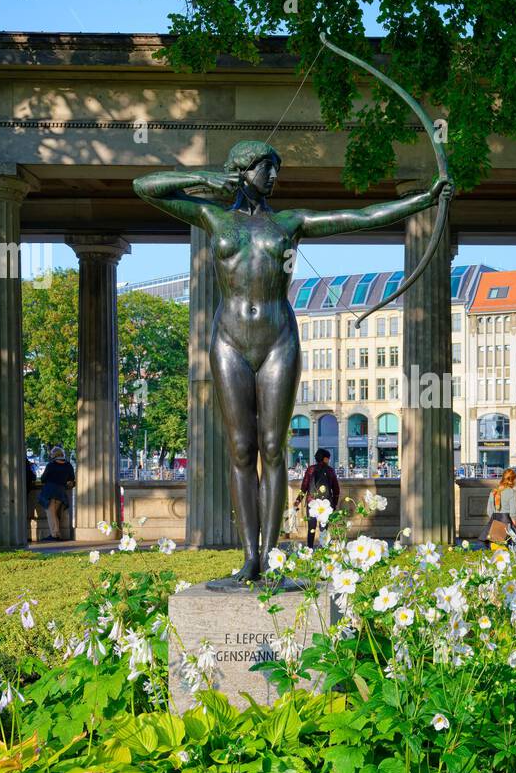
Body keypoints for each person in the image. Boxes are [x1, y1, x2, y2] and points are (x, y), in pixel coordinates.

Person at [135, 142, 451, 582]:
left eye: (275, 170)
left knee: (271, 447)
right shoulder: (213, 217)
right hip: (228, 342)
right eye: (266, 168)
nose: (273, 177)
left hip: (278, 341)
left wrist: (423, 199)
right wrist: (205, 180)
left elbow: (357, 218)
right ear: (242, 170)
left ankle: (271, 554)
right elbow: (144, 186)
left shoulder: (288, 221)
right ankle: (250, 557)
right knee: (241, 449)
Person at [298, 448, 340, 548]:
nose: (328, 460)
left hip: (312, 503)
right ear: (325, 459)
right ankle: (323, 550)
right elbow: (336, 489)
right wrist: (334, 504)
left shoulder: (310, 469)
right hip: (326, 504)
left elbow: (304, 486)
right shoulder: (330, 471)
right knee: (324, 530)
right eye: (328, 458)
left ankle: (309, 549)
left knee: (311, 529)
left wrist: (298, 500)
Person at [37, 446, 75, 542]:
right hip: (61, 492)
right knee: (55, 514)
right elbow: (71, 478)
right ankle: (56, 534)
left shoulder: (51, 465)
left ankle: (55, 535)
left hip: (49, 491)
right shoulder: (68, 465)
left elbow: (43, 479)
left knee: (51, 514)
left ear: (53, 455)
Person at [483, 468, 516, 549]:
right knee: (508, 549)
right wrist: (515, 527)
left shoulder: (493, 492)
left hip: (494, 524)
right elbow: (513, 513)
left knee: (495, 550)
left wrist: (496, 521)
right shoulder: (512, 492)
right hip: (507, 525)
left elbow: (489, 511)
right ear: (513, 480)